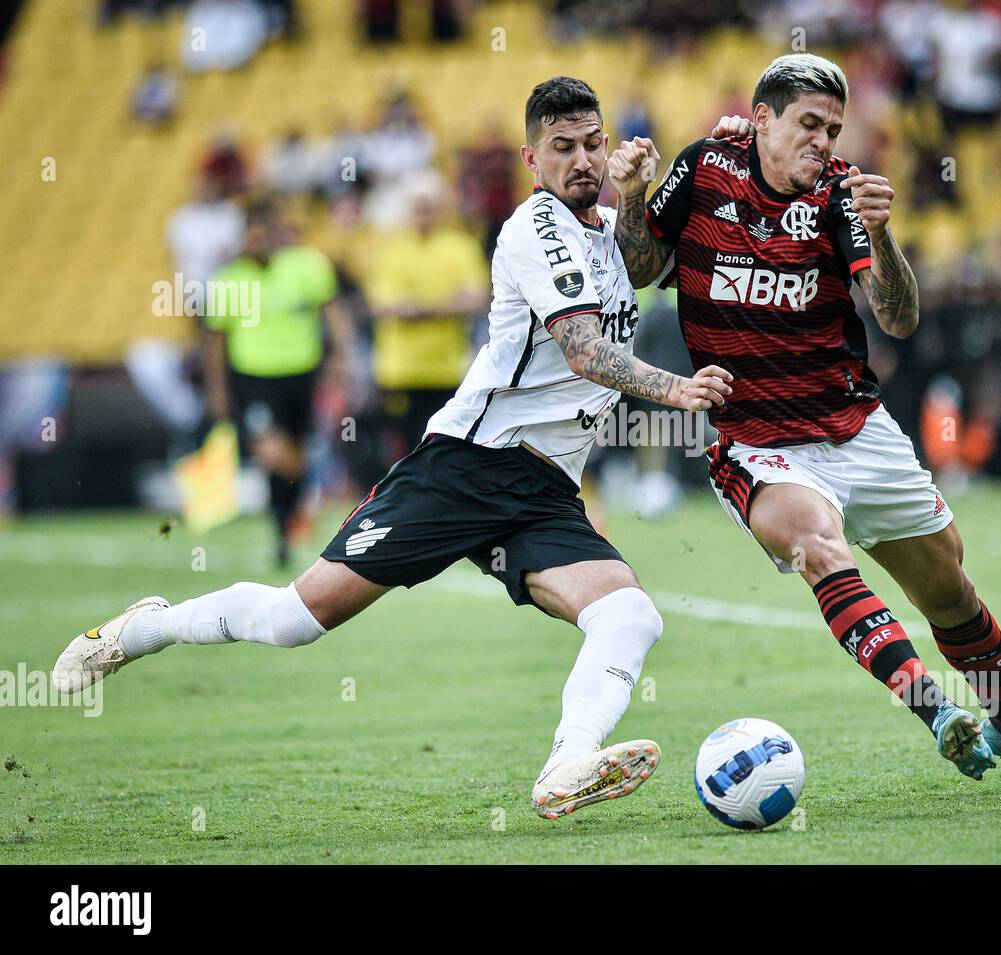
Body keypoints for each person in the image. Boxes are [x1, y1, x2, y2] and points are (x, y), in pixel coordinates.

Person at [52, 77, 734, 821]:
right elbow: (582, 350)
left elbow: (637, 264)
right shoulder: (531, 229)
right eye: (561, 147)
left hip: (543, 492)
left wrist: (646, 189)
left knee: (631, 614)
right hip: (465, 468)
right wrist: (677, 389)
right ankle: (145, 626)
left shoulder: (606, 223)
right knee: (292, 621)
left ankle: (567, 761)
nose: (581, 159)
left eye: (592, 143)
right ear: (530, 159)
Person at [610, 53, 1001, 789]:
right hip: (757, 442)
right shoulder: (704, 166)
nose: (824, 141)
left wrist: (887, 235)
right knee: (818, 547)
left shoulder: (843, 194)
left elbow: (899, 319)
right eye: (809, 124)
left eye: (834, 128)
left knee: (948, 589)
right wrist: (632, 197)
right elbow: (642, 266)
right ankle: (936, 710)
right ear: (762, 120)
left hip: (855, 425)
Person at [199, 198, 352, 566]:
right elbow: (215, 343)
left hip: (302, 374)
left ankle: (285, 526)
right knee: (273, 454)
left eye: (262, 235)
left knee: (297, 455)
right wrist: (216, 391)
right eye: (250, 237)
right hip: (253, 379)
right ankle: (289, 519)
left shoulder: (306, 266)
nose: (257, 243)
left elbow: (333, 314)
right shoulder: (229, 280)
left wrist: (341, 359)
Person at [366, 176, 489, 462]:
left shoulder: (460, 246)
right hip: (400, 370)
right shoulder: (390, 250)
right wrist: (445, 306)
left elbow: (477, 297)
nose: (423, 215)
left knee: (445, 446)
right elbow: (383, 305)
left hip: (447, 367)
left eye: (429, 207)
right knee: (404, 450)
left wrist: (420, 308)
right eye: (418, 207)